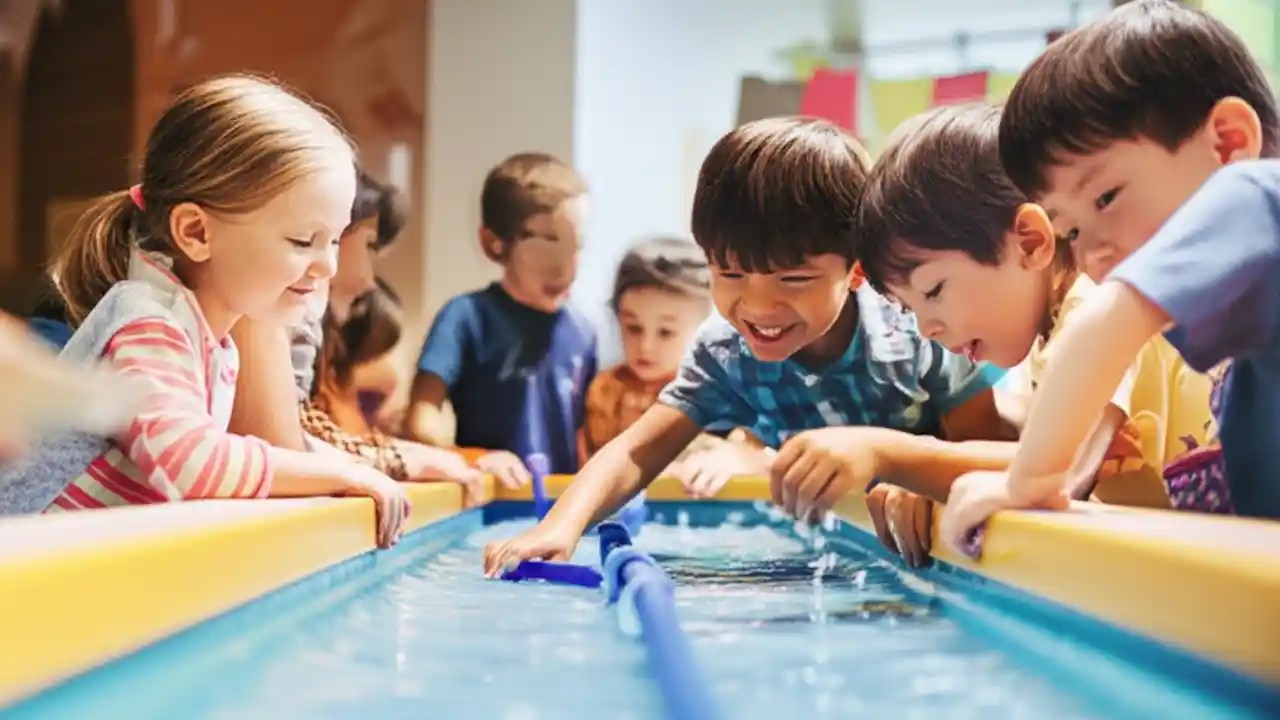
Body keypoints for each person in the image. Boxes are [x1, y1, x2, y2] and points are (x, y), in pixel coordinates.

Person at [483, 117, 1013, 576]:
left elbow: (993, 457)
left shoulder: (916, 329)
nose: (758, 308)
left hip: (938, 553)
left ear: (856, 269)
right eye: (730, 272)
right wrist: (560, 526)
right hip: (839, 552)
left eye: (794, 279)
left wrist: (916, 475)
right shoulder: (725, 356)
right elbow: (633, 451)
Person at [0, 75, 410, 547]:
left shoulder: (211, 341)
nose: (328, 265)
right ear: (195, 232)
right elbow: (188, 461)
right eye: (302, 241)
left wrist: (349, 468)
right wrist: (339, 476)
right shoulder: (147, 324)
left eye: (335, 239)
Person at [939, 0, 1280, 551]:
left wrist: (1029, 481)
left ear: (1229, 144)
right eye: (1071, 232)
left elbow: (1106, 323)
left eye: (1106, 197)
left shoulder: (1256, 196)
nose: (1092, 254)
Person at [854, 103, 1217, 564]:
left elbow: (1059, 468)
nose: (927, 327)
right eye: (908, 309)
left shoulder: (1090, 302)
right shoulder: (1052, 333)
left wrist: (893, 456)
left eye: (934, 290)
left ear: (1029, 241)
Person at [406, 153, 595, 480]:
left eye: (577, 245)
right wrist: (473, 458)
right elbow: (421, 418)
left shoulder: (584, 332)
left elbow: (587, 434)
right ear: (494, 243)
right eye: (547, 241)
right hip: (491, 504)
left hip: (562, 509)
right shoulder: (466, 317)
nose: (565, 266)